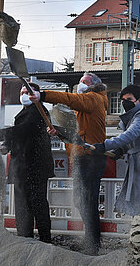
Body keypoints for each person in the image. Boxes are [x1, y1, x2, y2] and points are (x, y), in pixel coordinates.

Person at [27, 72, 108, 255]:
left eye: (84, 81)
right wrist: (59, 133)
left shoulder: (93, 98)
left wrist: (43, 95)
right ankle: (91, 240)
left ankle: (93, 244)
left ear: (94, 85)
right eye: (80, 81)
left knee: (88, 201)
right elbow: (76, 133)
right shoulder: (89, 103)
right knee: (82, 200)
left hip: (90, 158)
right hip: (82, 156)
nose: (81, 84)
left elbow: (69, 99)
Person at [92, 84, 140, 265]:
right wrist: (120, 150)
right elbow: (130, 141)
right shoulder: (135, 115)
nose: (125, 103)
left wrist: (105, 145)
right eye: (123, 100)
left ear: (139, 100)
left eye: (129, 100)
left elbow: (130, 135)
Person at [1, 82, 54, 242]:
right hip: (24, 165)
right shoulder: (26, 112)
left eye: (27, 92)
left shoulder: (38, 111)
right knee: (25, 204)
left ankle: (39, 239)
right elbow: (21, 136)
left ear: (36, 95)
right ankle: (27, 237)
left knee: (35, 204)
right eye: (22, 92)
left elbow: (24, 130)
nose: (23, 95)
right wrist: (7, 145)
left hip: (33, 165)